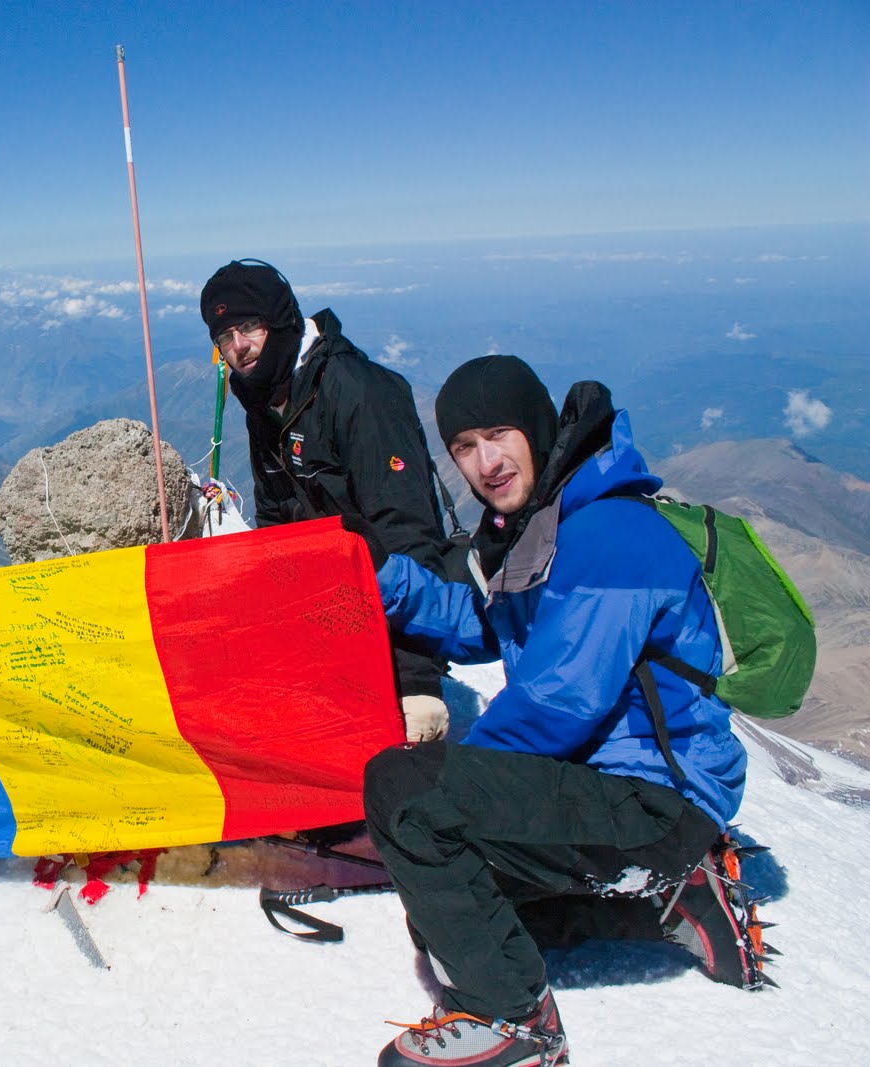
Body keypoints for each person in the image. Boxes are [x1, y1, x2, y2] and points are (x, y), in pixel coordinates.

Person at [361, 356, 754, 1066]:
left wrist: (446, 782)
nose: (485, 461)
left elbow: (557, 702)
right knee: (445, 908)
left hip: (656, 800)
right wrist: (379, 578)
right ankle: (669, 900)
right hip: (614, 793)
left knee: (410, 796)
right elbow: (483, 624)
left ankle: (517, 1022)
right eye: (463, 447)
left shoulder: (608, 536)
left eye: (496, 433)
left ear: (536, 428)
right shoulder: (543, 526)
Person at [200, 260, 464, 742]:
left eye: (248, 326)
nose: (238, 346)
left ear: (279, 320)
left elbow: (406, 533)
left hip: (393, 639)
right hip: (334, 633)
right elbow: (277, 525)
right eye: (223, 336)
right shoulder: (265, 402)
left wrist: (415, 679)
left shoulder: (361, 394)